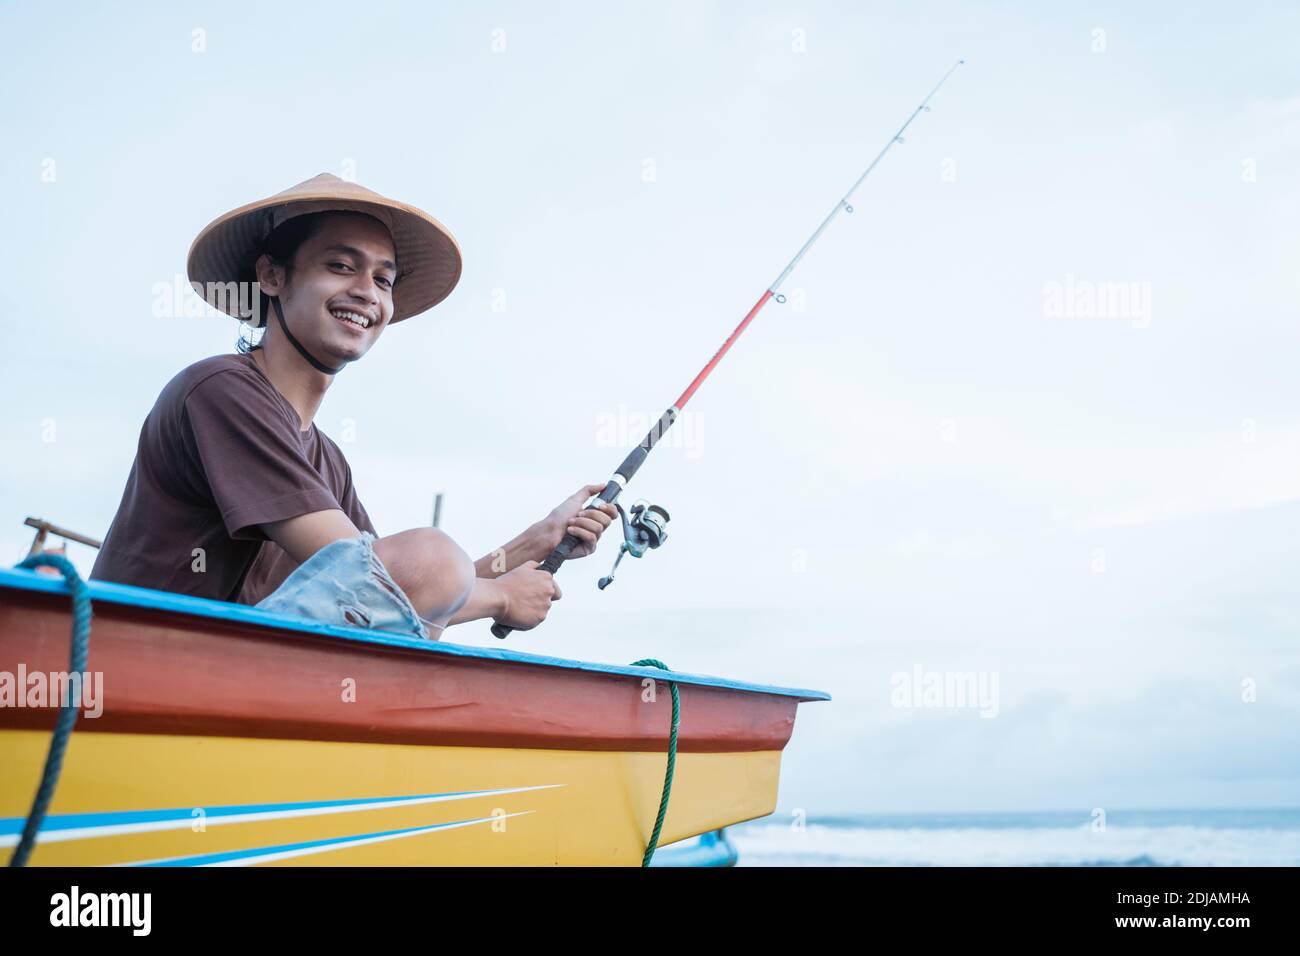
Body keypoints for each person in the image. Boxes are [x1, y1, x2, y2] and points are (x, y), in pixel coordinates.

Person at [91, 173, 616, 640]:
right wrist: (502, 598)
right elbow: (391, 580)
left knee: (423, 566)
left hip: (230, 676)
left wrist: (535, 541)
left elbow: (393, 603)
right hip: (133, 663)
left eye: (383, 280)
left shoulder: (328, 460)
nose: (367, 292)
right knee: (429, 553)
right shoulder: (220, 390)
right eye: (341, 266)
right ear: (272, 276)